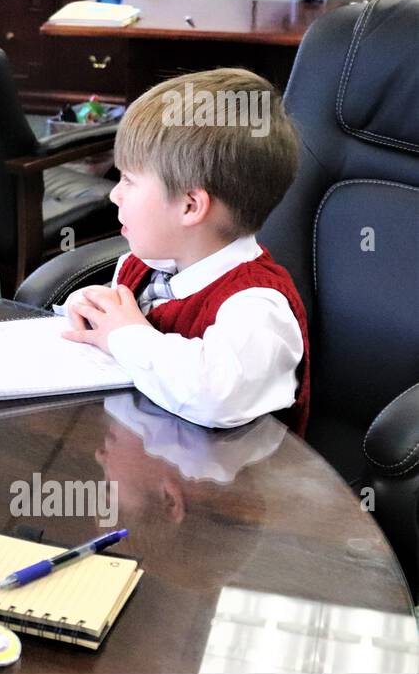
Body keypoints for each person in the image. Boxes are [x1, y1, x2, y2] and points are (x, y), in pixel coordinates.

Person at [56, 68, 309, 434]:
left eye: (128, 180)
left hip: (230, 469)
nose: (114, 194)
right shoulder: (143, 264)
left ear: (190, 206)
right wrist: (93, 309)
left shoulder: (257, 308)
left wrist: (125, 336)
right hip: (145, 448)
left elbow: (215, 396)